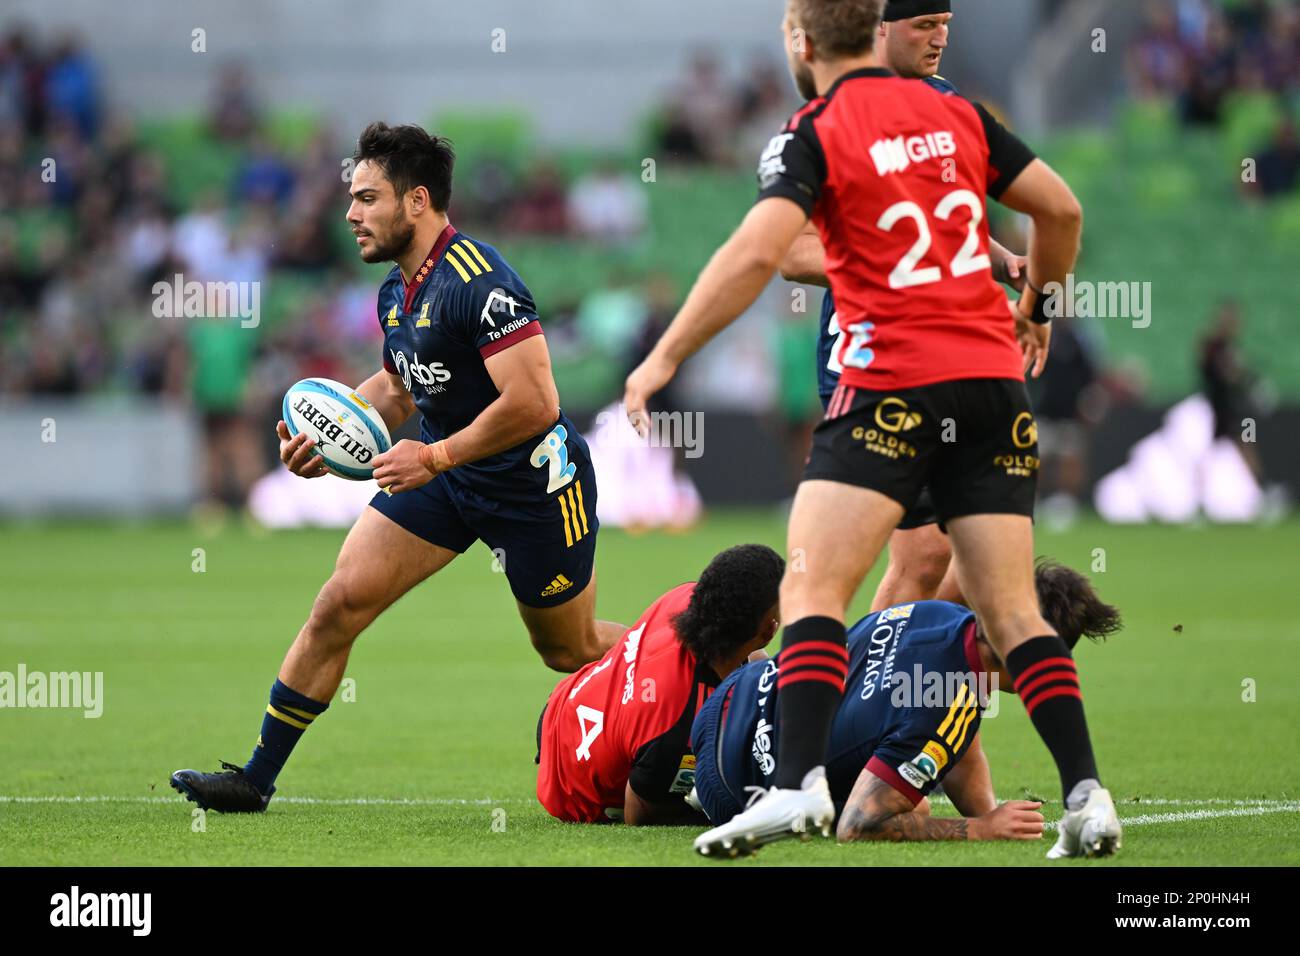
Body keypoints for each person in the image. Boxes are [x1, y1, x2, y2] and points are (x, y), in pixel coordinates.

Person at [624, 0, 1114, 859]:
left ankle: (794, 786)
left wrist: (663, 358)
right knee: (1008, 608)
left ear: (800, 41)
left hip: (893, 385)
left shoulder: (814, 129)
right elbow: (1064, 213)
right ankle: (1087, 797)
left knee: (809, 585)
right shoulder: (958, 114)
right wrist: (1035, 306)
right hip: (993, 383)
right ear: (879, 30)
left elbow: (757, 254)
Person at [171, 123, 621, 812]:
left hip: (534, 487)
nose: (350, 213)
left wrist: (434, 454)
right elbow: (401, 388)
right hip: (444, 479)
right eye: (351, 198)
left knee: (570, 649)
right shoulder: (395, 292)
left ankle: (704, 658)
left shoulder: (481, 283)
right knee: (337, 604)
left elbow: (535, 403)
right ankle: (255, 779)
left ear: (416, 201)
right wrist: (334, 434)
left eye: (366, 197)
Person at [778, 0, 1031, 612]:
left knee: (958, 557)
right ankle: (847, 693)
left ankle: (887, 687)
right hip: (869, 359)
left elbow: (948, 221)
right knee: (919, 557)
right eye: (925, 25)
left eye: (947, 24)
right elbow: (791, 250)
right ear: (879, 29)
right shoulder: (834, 112)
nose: (940, 37)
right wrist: (898, 264)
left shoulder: (946, 102)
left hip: (946, 355)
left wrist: (1001, 262)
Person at [692, 561, 1121, 855]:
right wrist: (981, 829)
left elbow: (959, 741)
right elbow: (857, 827)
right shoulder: (945, 706)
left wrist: (985, 808)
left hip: (732, 696)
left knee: (898, 777)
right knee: (911, 809)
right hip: (731, 786)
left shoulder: (944, 616)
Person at [536, 545, 783, 824]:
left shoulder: (687, 599)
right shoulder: (675, 723)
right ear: (769, 630)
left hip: (567, 701)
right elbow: (639, 811)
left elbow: (750, 657)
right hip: (568, 786)